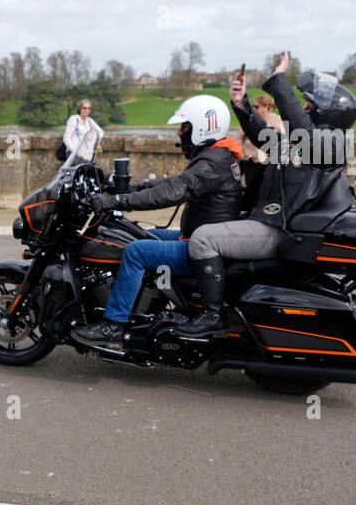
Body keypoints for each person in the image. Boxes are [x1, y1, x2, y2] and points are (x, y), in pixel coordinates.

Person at [177, 52, 356, 337]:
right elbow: (265, 137)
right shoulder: (310, 145)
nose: (306, 108)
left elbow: (301, 129)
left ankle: (210, 316)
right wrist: (240, 103)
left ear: (329, 112)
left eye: (310, 105)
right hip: (272, 221)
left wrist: (280, 79)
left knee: (204, 238)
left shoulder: (330, 144)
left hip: (279, 229)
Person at [70, 95, 244, 350]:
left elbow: (169, 194)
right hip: (198, 238)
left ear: (203, 128)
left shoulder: (211, 163)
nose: (179, 132)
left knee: (135, 251)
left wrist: (115, 201)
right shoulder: (218, 156)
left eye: (184, 127)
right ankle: (145, 305)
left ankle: (113, 325)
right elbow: (171, 183)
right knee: (140, 234)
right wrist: (129, 187)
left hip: (201, 247)